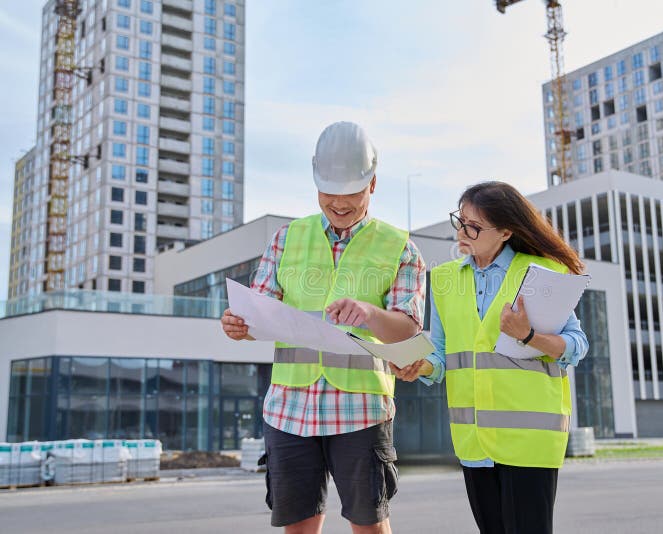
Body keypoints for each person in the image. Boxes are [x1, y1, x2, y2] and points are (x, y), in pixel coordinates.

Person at [221, 121, 426, 534]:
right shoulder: (286, 239)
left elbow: (407, 332)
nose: (339, 203)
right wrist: (239, 325)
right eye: (329, 191)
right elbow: (260, 312)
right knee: (297, 527)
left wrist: (369, 314)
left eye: (351, 191)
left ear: (372, 184)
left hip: (361, 410)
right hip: (289, 409)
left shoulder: (399, 247)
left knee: (370, 525)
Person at [393, 181, 589, 534]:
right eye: (460, 221)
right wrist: (421, 365)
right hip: (474, 441)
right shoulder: (445, 279)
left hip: (529, 441)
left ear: (505, 231)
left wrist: (528, 335)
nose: (461, 232)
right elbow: (441, 352)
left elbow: (577, 345)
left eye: (474, 226)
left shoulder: (541, 273)